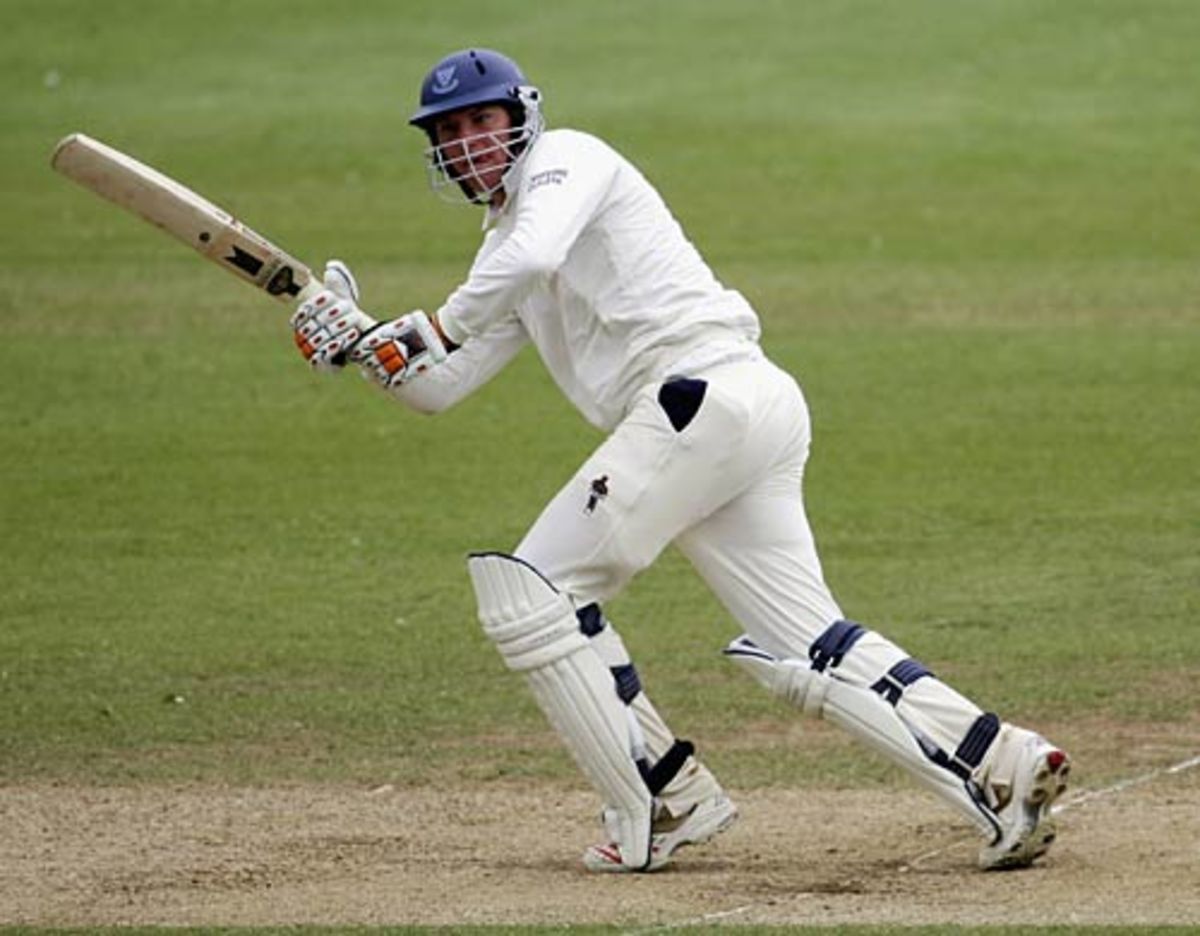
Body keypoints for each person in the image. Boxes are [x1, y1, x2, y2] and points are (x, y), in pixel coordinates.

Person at [289, 47, 1072, 873]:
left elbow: (518, 269)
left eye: (483, 121)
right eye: (450, 131)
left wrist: (428, 328)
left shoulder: (568, 161)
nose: (469, 142)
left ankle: (662, 797)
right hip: (736, 413)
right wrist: (355, 340)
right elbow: (437, 388)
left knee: (535, 594)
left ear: (521, 118)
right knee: (805, 643)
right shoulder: (506, 249)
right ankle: (1005, 763)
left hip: (698, 403)